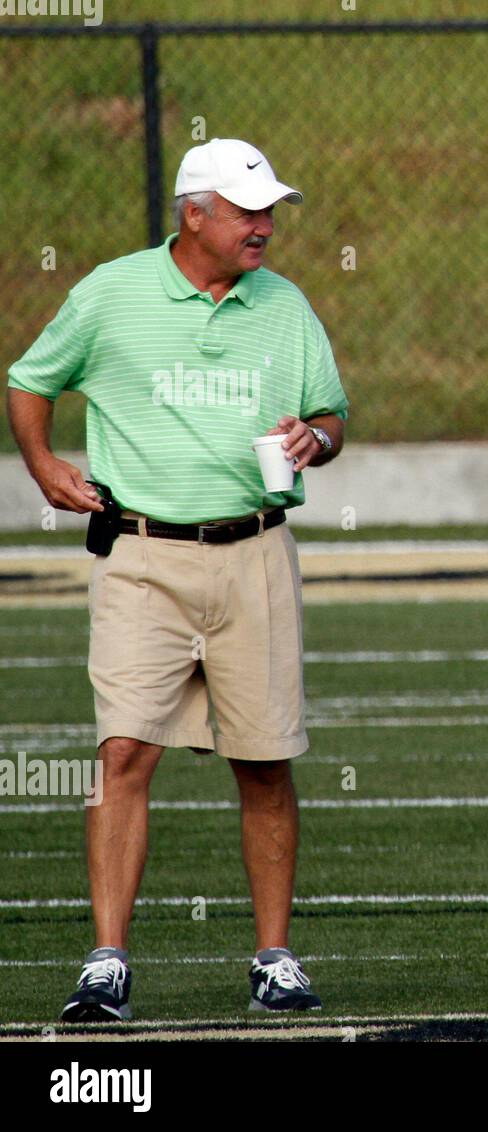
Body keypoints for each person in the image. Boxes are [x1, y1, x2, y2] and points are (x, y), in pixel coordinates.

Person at [6, 138, 349, 1021]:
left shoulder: (286, 306)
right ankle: (107, 962)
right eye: (248, 211)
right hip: (142, 557)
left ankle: (275, 958)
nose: (265, 226)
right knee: (124, 751)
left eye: (271, 210)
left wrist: (320, 437)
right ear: (194, 212)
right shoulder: (111, 293)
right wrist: (42, 464)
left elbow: (331, 411)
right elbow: (31, 379)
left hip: (256, 552)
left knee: (266, 763)